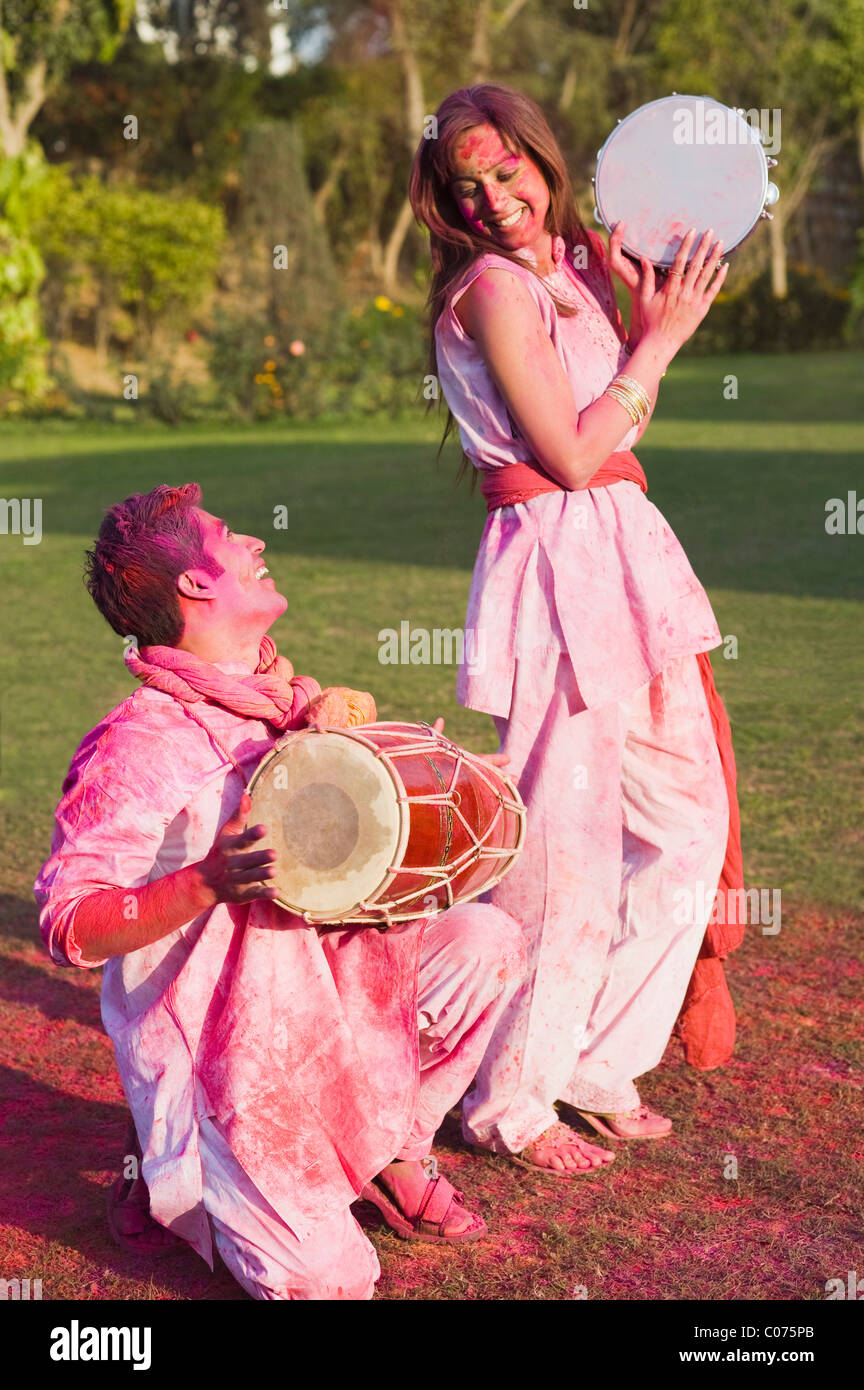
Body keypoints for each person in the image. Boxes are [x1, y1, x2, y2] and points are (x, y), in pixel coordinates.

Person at [35, 483, 526, 1299]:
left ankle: (393, 1151)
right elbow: (69, 923)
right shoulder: (138, 745)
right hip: (236, 1054)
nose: (256, 543)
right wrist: (203, 883)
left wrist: (449, 792)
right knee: (329, 1285)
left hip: (329, 997)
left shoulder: (282, 702)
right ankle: (174, 1159)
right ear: (195, 585)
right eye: (230, 538)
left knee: (487, 943)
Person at [408, 83, 741, 1177]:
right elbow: (569, 450)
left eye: (509, 173)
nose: (495, 199)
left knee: (688, 826)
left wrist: (644, 327)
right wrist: (665, 348)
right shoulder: (495, 291)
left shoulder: (576, 268)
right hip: (555, 568)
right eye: (470, 185)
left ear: (546, 166)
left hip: (627, 558)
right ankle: (511, 1099)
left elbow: (611, 424)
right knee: (566, 849)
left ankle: (599, 1058)